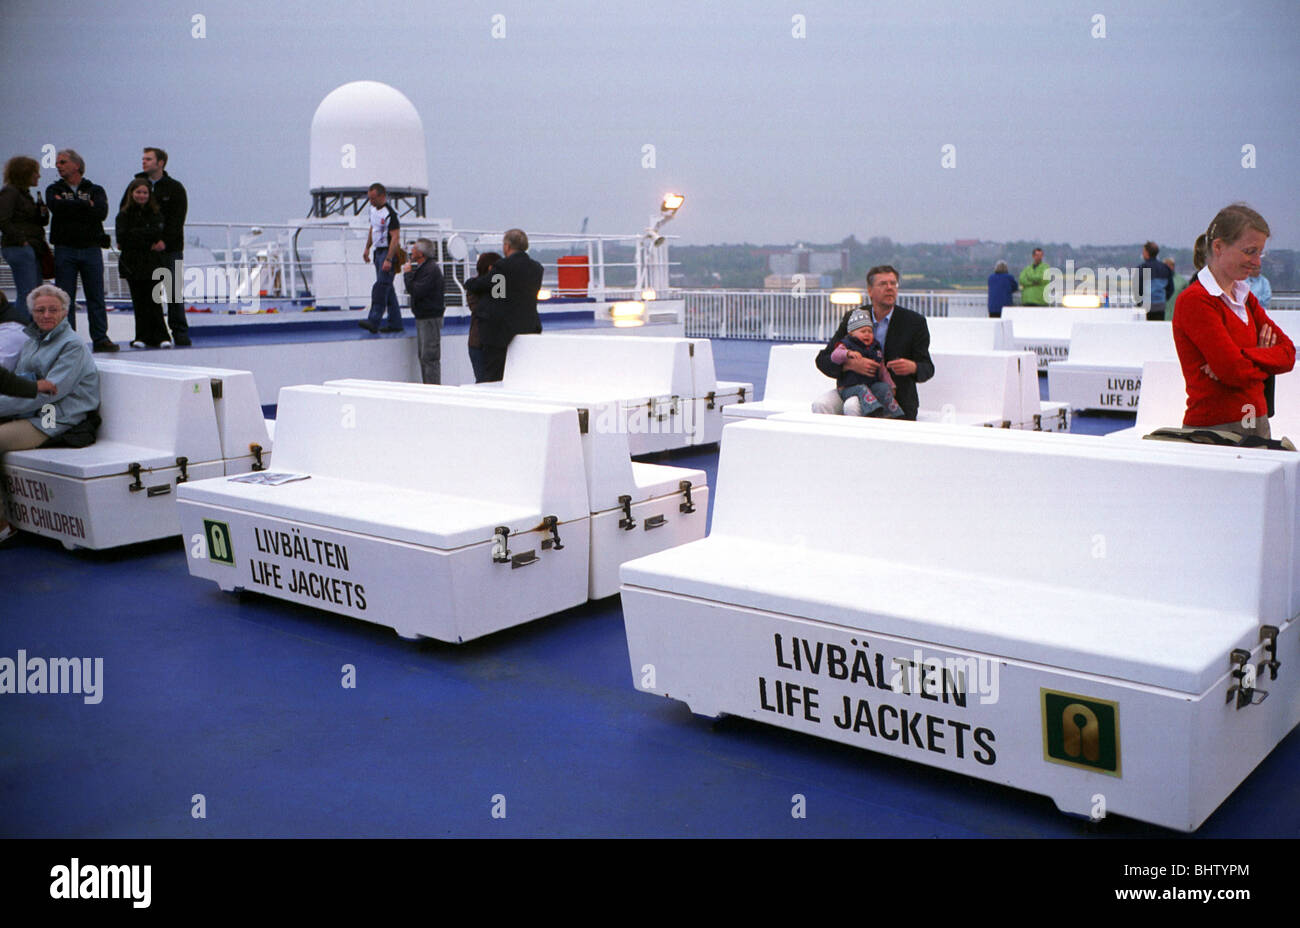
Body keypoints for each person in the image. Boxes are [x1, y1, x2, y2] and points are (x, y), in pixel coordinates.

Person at [1172, 204, 1294, 439]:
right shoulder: (1195, 300)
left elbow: (1288, 354)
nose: (1257, 262)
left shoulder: (1247, 298)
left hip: (1256, 424)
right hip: (1214, 432)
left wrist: (1243, 355)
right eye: (1250, 251)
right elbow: (1233, 372)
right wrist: (1263, 359)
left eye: (1260, 253)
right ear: (1218, 247)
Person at [0, 284, 100, 544]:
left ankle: (2, 527)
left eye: (53, 310)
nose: (46, 315)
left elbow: (46, 395)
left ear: (65, 312)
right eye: (40, 310)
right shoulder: (32, 341)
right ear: (31, 313)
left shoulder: (72, 346)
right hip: (34, 410)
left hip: (55, 417)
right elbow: (22, 383)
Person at [812, 265, 934, 420]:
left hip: (893, 397)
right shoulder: (855, 318)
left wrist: (913, 367)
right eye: (883, 284)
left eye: (893, 283)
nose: (890, 288)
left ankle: (858, 444)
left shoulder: (914, 322)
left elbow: (927, 367)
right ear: (870, 290)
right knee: (821, 405)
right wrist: (848, 365)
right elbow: (823, 359)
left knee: (852, 406)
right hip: (852, 387)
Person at [47, 149, 116, 351]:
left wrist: (70, 205)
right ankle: (67, 340)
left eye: (63, 162)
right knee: (65, 297)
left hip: (90, 248)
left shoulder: (95, 189)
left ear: (76, 165)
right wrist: (85, 206)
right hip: (65, 248)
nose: (58, 165)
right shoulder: (53, 189)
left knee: (96, 295)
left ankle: (100, 338)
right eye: (58, 162)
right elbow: (56, 207)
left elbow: (101, 212)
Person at [463, 228, 543, 382]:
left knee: (493, 377)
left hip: (501, 333)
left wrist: (470, 283)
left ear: (507, 246)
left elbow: (490, 288)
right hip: (529, 326)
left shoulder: (503, 267)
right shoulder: (537, 268)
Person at [134, 147, 190, 345]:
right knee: (150, 293)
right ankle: (153, 334)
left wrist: (164, 241)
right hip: (145, 251)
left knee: (173, 290)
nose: (144, 162)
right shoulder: (137, 185)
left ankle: (180, 332)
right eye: (143, 159)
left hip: (170, 249)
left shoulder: (174, 188)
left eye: (148, 159)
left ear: (161, 163)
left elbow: (177, 218)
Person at [115, 178, 171, 348]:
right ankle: (142, 336)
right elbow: (123, 238)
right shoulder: (123, 215)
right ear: (132, 194)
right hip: (132, 264)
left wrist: (138, 235)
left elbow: (157, 231)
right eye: (138, 192)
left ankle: (161, 336)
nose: (141, 195)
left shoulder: (155, 213)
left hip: (152, 264)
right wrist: (148, 241)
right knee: (139, 301)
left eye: (145, 192)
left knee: (154, 299)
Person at [0, 155, 50, 323]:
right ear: (25, 173)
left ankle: (26, 329)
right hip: (20, 247)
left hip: (29, 246)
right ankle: (20, 330)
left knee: (33, 292)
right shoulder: (11, 192)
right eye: (35, 172)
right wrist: (22, 240)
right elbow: (3, 219)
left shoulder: (24, 194)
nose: (38, 176)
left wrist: (42, 212)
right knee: (28, 293)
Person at [831, 309, 904, 418]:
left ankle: (894, 413)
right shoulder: (846, 345)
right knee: (862, 389)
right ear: (851, 333)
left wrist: (891, 385)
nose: (867, 334)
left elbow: (882, 370)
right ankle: (872, 411)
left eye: (870, 331)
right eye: (863, 331)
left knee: (883, 387)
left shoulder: (875, 348)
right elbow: (834, 356)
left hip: (870, 385)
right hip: (849, 387)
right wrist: (848, 353)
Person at [359, 183, 403, 334]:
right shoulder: (373, 211)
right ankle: (396, 323)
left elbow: (395, 237)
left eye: (373, 198)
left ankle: (374, 321)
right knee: (388, 289)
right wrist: (367, 247)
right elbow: (373, 229)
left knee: (381, 287)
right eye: (369, 198)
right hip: (378, 251)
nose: (370, 201)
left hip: (387, 252)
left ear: (382, 196)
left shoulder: (390, 214)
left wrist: (389, 259)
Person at [401, 238, 445, 384]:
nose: (411, 252)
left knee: (429, 356)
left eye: (414, 249)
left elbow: (416, 290)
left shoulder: (430, 270)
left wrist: (407, 274)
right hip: (424, 317)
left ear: (420, 253)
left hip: (429, 318)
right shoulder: (427, 268)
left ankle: (433, 389)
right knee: (425, 356)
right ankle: (429, 388)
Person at [463, 251, 501, 382]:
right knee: (483, 380)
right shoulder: (475, 287)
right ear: (490, 268)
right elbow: (481, 310)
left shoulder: (474, 286)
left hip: (482, 342)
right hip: (479, 343)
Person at [1136, 241, 1174, 321]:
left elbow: (1138, 289)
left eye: (1143, 251)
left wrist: (1140, 303)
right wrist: (1163, 298)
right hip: (1161, 305)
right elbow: (1171, 289)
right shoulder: (1165, 268)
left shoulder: (1142, 268)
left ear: (1146, 253)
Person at [1163, 257, 1187, 321]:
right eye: (1166, 265)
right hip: (1162, 317)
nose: (1169, 267)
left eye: (1171, 265)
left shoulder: (1182, 281)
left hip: (1177, 317)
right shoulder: (1159, 281)